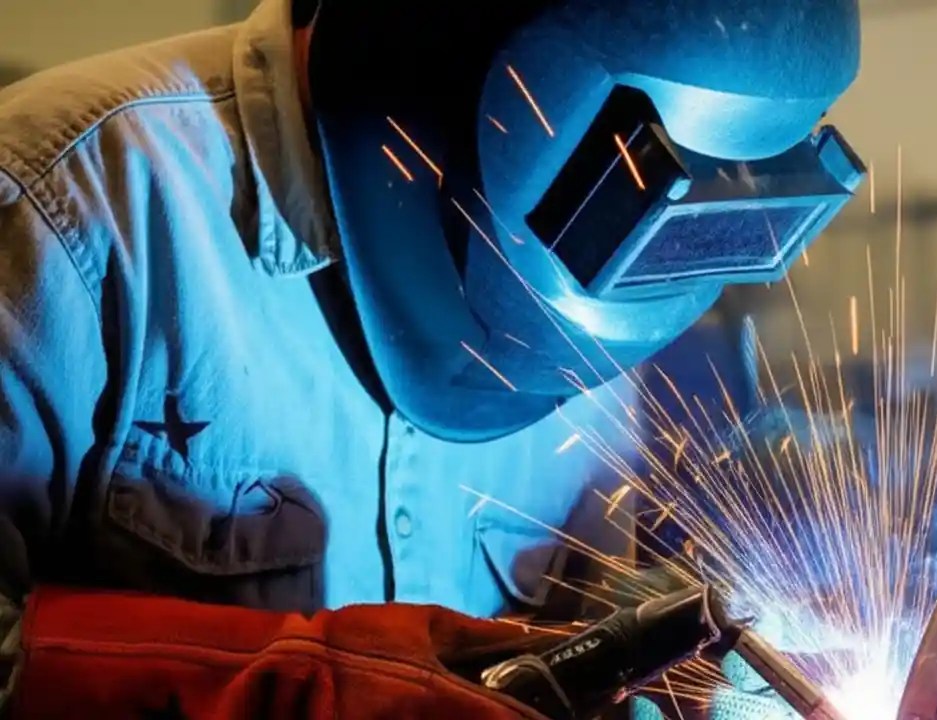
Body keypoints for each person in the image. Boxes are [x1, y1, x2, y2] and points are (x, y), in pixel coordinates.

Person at [0, 0, 864, 715]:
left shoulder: (610, 280)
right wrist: (294, 692)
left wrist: (663, 664)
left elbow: (573, 620)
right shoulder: (70, 201)